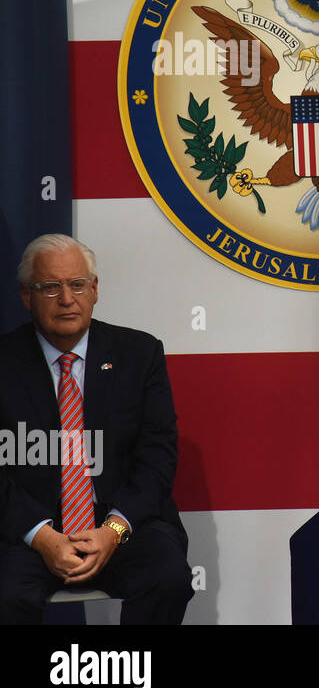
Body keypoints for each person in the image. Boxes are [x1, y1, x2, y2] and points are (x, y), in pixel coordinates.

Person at [0, 234, 193, 624]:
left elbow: (157, 456)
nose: (67, 299)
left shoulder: (140, 354)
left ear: (95, 289)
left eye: (77, 285)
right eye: (51, 287)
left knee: (167, 577)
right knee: (6, 595)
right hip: (27, 531)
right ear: (26, 295)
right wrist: (42, 536)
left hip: (121, 525)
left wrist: (113, 530)